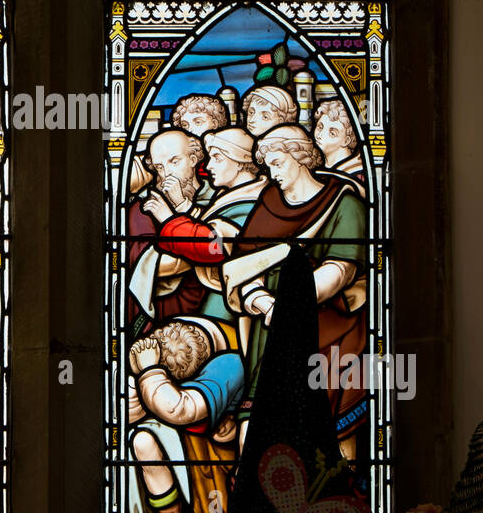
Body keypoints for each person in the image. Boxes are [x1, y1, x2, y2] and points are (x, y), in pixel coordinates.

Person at [225, 124, 367, 459]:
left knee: (328, 436)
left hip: (326, 331)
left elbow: (339, 270)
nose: (272, 173)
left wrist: (288, 306)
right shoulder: (268, 204)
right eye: (268, 165)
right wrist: (262, 300)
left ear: (300, 156)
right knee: (254, 437)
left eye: (278, 162)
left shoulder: (341, 203)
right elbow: (244, 269)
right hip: (270, 333)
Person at [127, 318, 244, 513]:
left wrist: (149, 371)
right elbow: (129, 415)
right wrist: (137, 375)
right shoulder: (182, 333)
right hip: (190, 450)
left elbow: (179, 409)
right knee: (142, 440)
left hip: (219, 465)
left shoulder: (229, 363)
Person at [147, 128, 267, 348]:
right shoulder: (233, 195)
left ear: (239, 161)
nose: (208, 166)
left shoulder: (253, 201)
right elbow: (212, 229)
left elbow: (213, 247)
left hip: (235, 298)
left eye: (217, 158)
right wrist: (184, 208)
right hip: (224, 292)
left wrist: (168, 219)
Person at [127, 128, 223, 332]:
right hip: (164, 315)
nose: (167, 173)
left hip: (217, 309)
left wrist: (179, 214)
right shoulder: (145, 208)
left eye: (174, 161)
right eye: (159, 167)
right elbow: (153, 266)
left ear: (194, 158)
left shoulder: (219, 200)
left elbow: (220, 249)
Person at [313, 98, 365, 195]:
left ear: (346, 141)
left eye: (332, 133)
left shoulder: (357, 174)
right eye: (320, 127)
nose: (320, 135)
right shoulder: (319, 170)